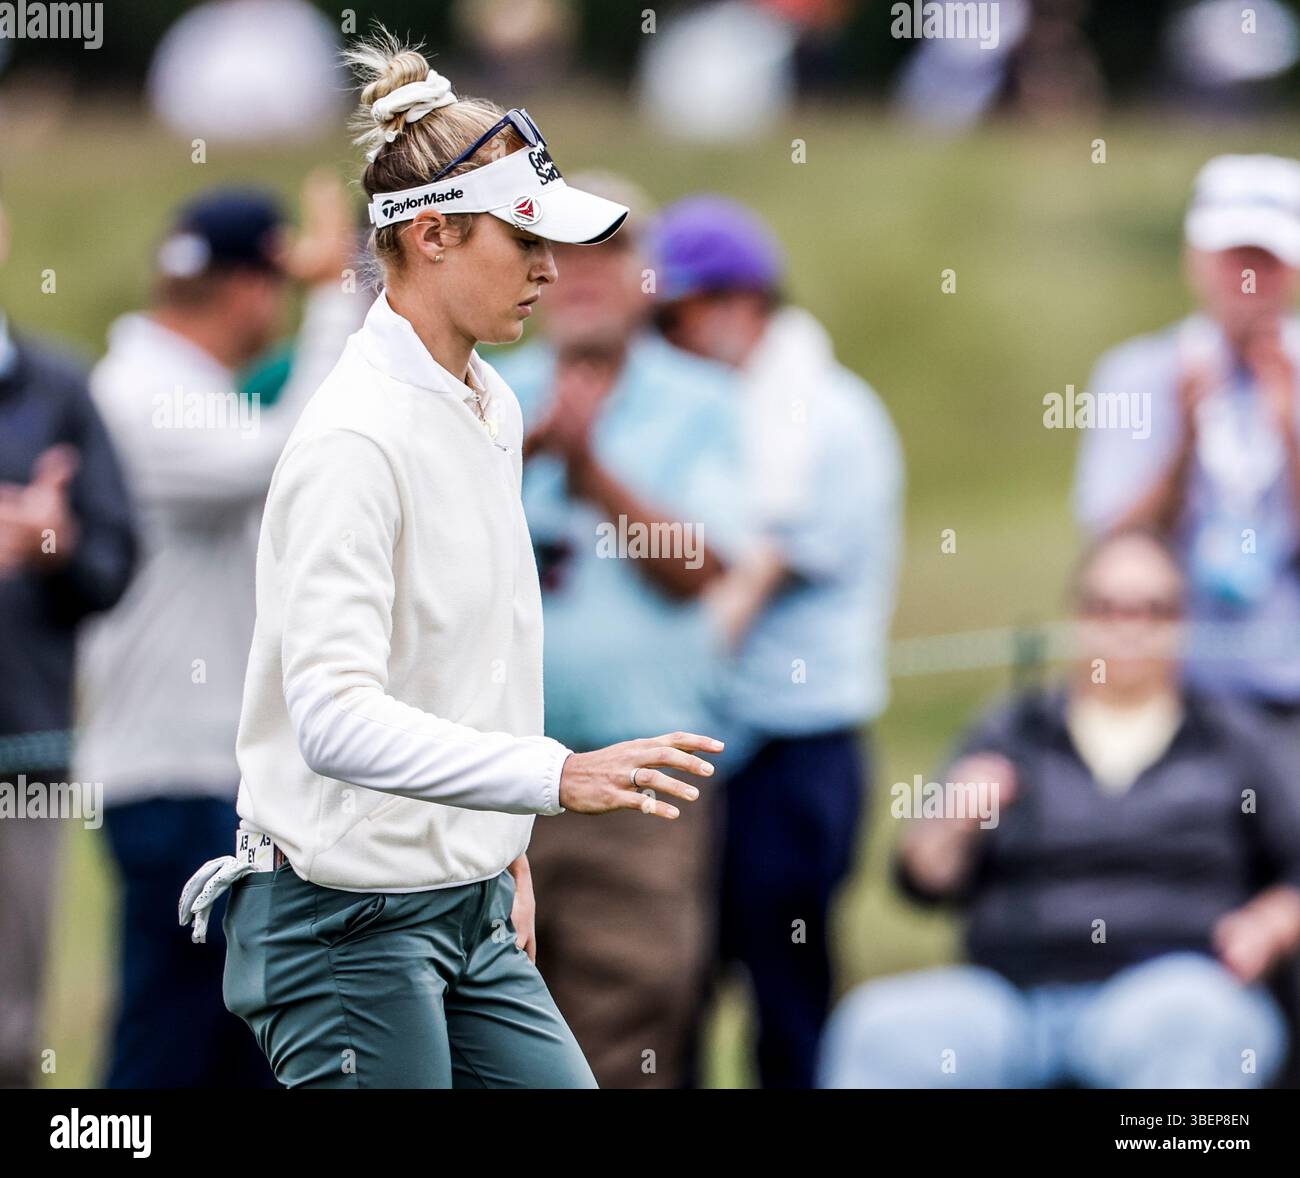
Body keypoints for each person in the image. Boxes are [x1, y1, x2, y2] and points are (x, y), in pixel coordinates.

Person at [180, 33, 723, 1090]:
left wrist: (498, 841)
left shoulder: (491, 399)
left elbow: (471, 652)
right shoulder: (353, 438)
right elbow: (332, 716)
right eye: (523, 239)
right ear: (432, 234)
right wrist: (552, 775)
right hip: (343, 927)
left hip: (465, 904)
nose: (550, 269)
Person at [820, 529, 1300, 1089]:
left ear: (1183, 622)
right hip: (1012, 1003)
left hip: (1174, 986)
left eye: (1152, 610)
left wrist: (1272, 923)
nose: (1128, 628)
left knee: (1192, 1029)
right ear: (1077, 616)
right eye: (1107, 608)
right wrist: (951, 824)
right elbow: (921, 884)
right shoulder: (1015, 729)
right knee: (878, 1030)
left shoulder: (1233, 739)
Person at [76, 177, 362, 1088]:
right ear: (252, 289)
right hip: (175, 772)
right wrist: (336, 298)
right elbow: (295, 454)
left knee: (230, 1041)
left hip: (201, 772)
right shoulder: (141, 394)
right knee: (168, 1048)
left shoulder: (178, 382)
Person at [490, 172, 750, 1088]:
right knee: (477, 1030)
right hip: (487, 783)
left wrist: (591, 468)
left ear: (646, 276)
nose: (583, 274)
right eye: (560, 251)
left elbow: (699, 572)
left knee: (631, 1019)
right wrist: (524, 448)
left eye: (610, 251)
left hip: (637, 787)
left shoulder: (704, 402)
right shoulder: (484, 391)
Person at [652, 196, 904, 1088]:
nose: (664, 337)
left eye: (674, 315)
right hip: (700, 742)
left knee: (787, 996)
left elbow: (743, 576)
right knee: (669, 988)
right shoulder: (705, 412)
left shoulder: (829, 420)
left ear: (737, 303)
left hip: (794, 747)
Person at [1075, 154, 1300, 726]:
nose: (1248, 280)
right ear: (1195, 261)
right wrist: (1182, 445)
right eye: (1233, 258)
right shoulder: (1138, 373)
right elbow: (1114, 546)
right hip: (1179, 691)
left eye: (1266, 261)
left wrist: (1290, 435)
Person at [0, 197, 137, 1088]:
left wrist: (54, 547)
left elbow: (116, 566)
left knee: (10, 1030)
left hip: (22, 752)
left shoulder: (59, 388)